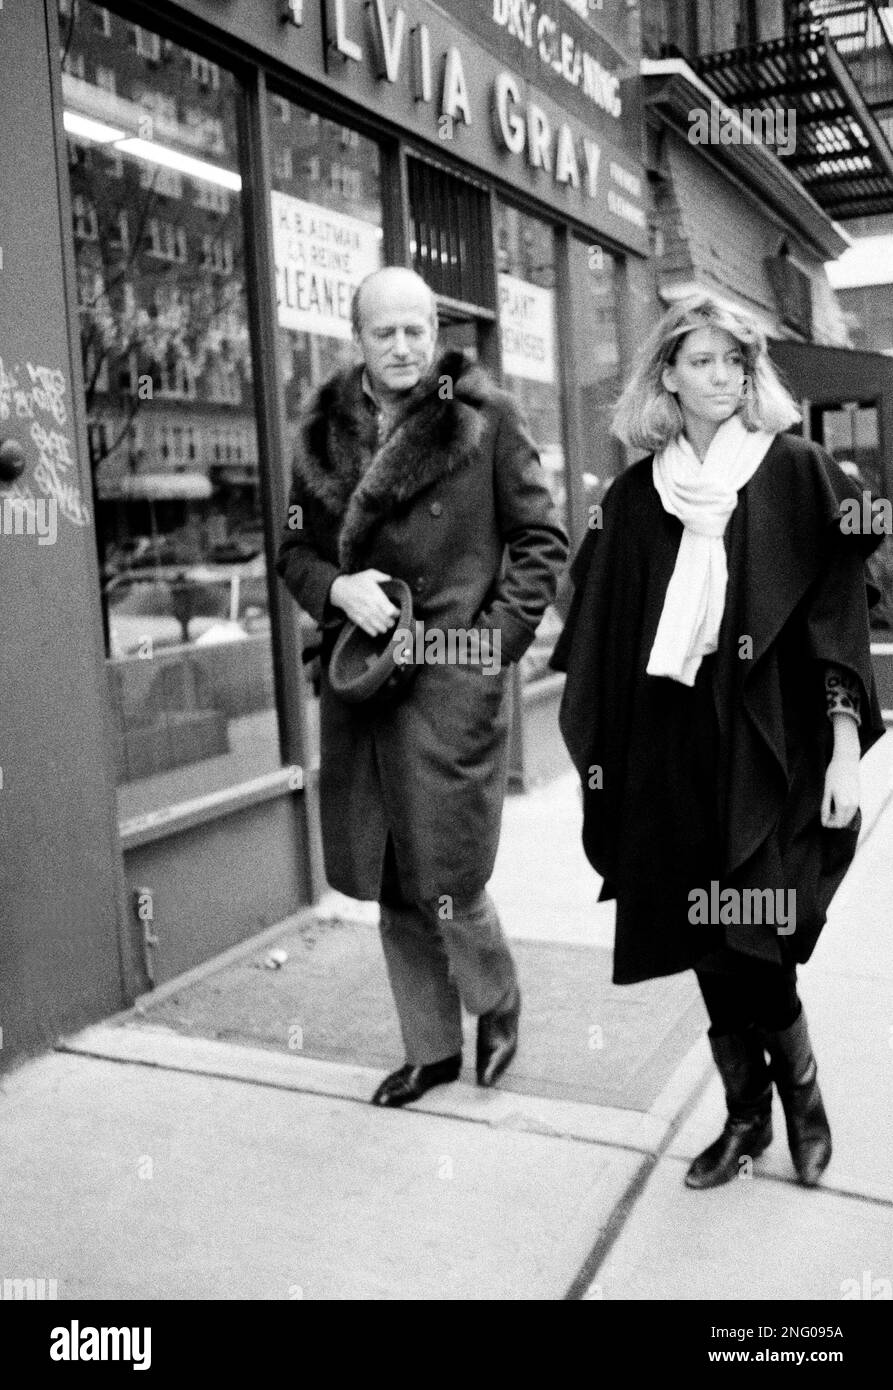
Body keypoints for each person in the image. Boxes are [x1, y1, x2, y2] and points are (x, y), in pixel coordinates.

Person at [551, 292, 885, 1189]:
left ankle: (803, 1102)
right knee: (702, 936)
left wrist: (845, 750)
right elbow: (596, 631)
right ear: (667, 374)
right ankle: (745, 1119)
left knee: (758, 936)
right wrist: (603, 768)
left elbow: (838, 617)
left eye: (736, 363)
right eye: (703, 362)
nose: (723, 377)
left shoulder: (797, 473)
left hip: (772, 754)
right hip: (670, 756)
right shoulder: (630, 500)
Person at [276, 266, 568, 1107]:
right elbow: (293, 549)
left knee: (447, 873)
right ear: (356, 337)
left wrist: (492, 646)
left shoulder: (487, 416)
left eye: (415, 330)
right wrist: (335, 588)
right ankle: (431, 1050)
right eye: (383, 332)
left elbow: (542, 541)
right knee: (392, 876)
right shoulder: (322, 434)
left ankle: (495, 994)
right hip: (364, 681)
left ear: (434, 329)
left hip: (447, 680)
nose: (401, 347)